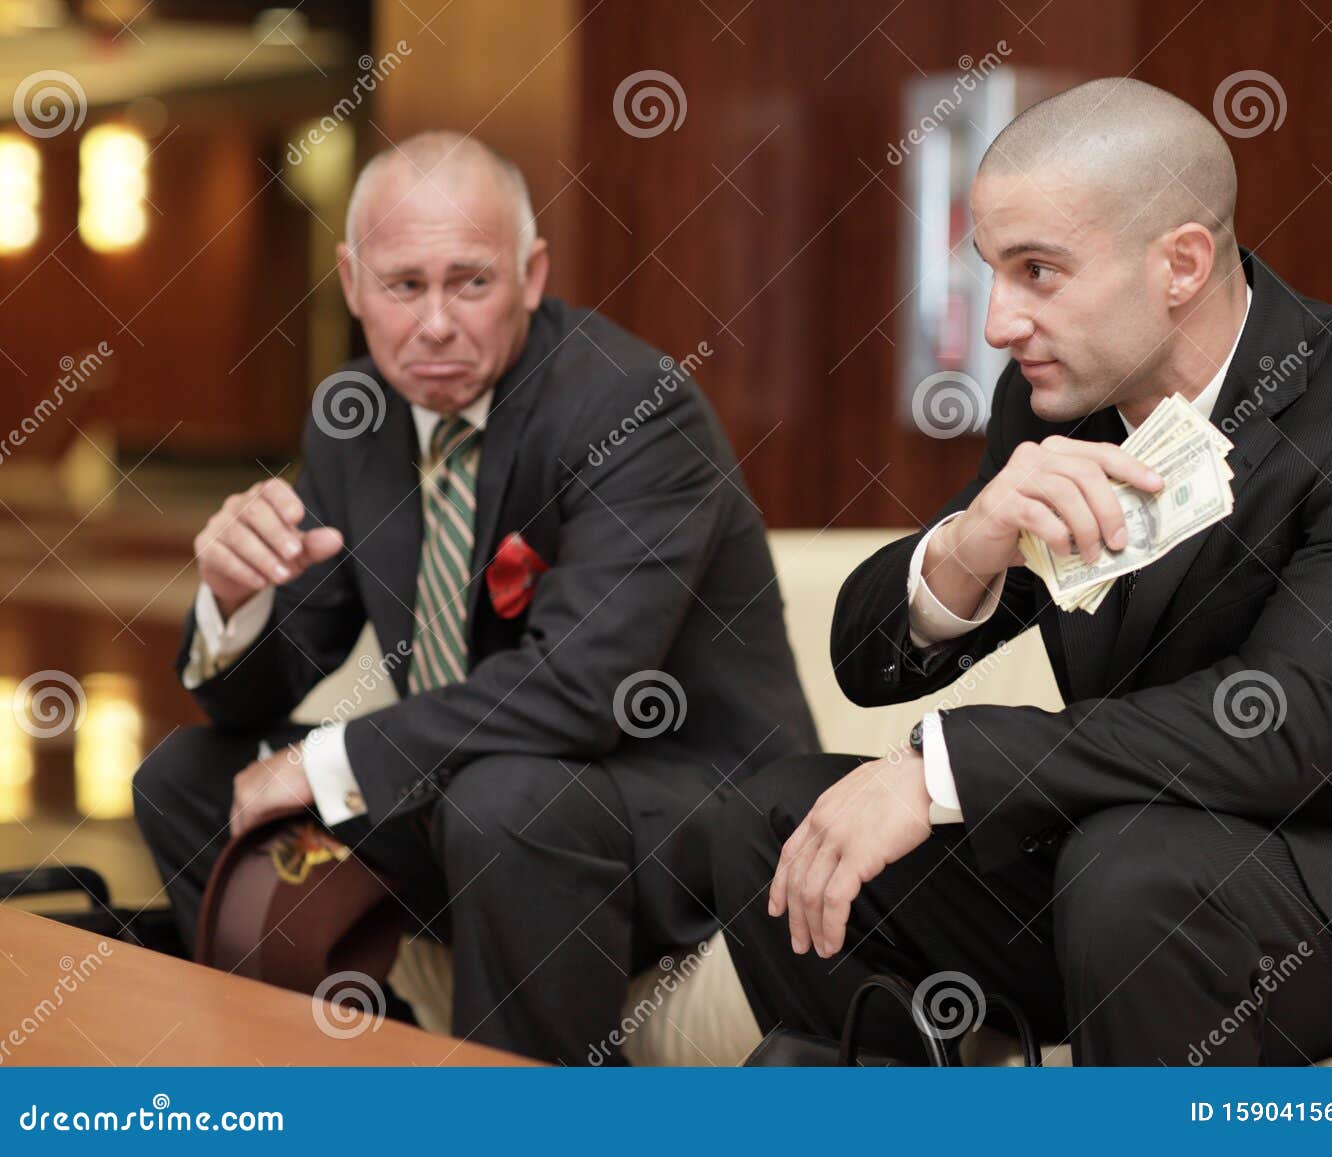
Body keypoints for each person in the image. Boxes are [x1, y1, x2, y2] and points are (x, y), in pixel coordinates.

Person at [712, 79, 1332, 1065]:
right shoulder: (1054, 401)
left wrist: (943, 770)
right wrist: (966, 541)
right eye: (991, 270)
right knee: (773, 814)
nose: (998, 323)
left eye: (1038, 271)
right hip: (1118, 862)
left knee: (1132, 869)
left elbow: (1279, 724)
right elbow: (872, 664)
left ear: (1180, 264)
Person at [133, 131, 818, 1064]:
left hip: (691, 809)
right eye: (403, 285)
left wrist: (331, 760)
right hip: (479, 791)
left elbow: (581, 688)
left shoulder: (633, 406)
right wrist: (232, 600)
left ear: (533, 275)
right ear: (350, 280)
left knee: (503, 798)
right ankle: (362, 1075)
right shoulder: (357, 417)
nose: (435, 324)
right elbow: (255, 690)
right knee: (184, 777)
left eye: (471, 281)